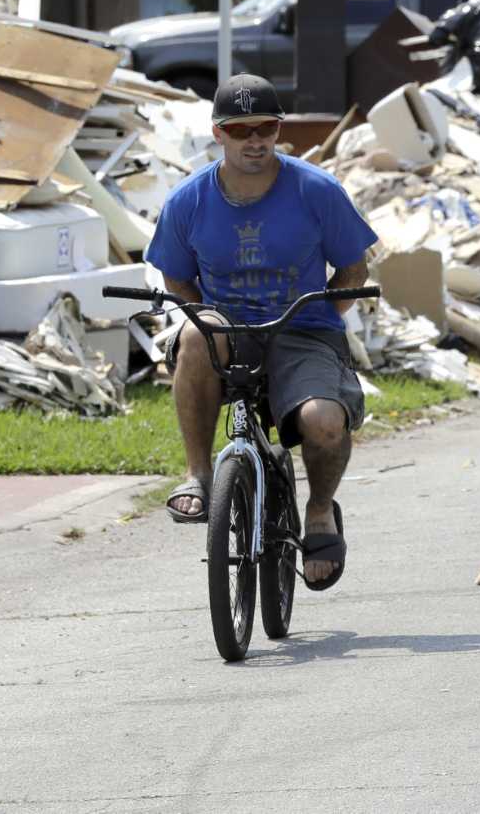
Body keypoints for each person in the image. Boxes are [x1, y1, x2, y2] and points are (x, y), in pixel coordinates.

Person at [143, 74, 378, 591]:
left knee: (324, 423)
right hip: (229, 329)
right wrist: (200, 311)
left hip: (303, 329)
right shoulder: (188, 200)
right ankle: (200, 475)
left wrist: (324, 317)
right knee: (194, 336)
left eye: (266, 128)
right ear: (218, 133)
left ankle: (317, 511)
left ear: (279, 130)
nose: (254, 140)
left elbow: (353, 268)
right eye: (240, 129)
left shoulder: (317, 190)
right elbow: (175, 274)